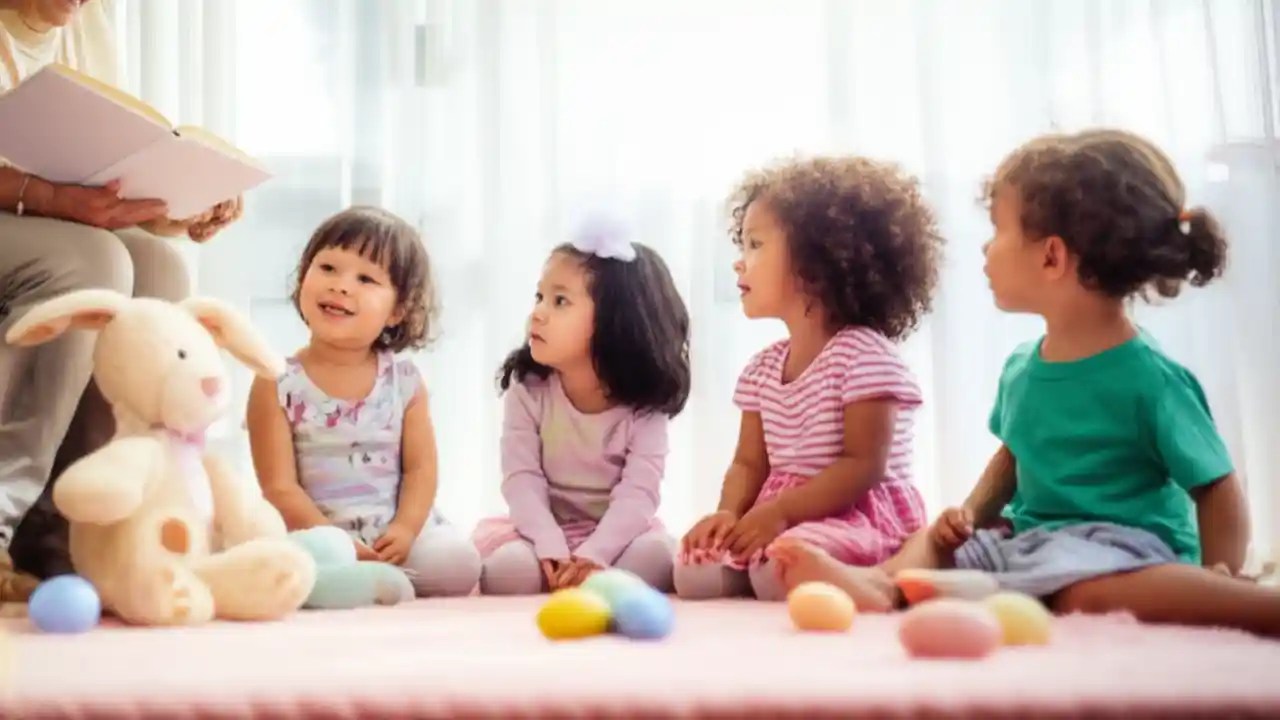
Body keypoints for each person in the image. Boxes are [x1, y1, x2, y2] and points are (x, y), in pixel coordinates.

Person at [772, 129, 1280, 638]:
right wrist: (969, 514)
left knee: (1082, 594)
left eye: (997, 230)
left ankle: (1251, 605)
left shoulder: (1151, 378)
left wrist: (1223, 575)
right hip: (1032, 537)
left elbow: (1216, 487)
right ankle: (881, 583)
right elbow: (1013, 459)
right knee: (939, 544)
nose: (987, 249)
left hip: (1126, 548)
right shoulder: (1021, 367)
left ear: (1051, 257)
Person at [0, 0, 241, 598]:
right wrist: (53, 198)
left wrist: (183, 206)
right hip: (30, 219)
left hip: (41, 219)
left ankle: (71, 533)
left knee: (159, 269)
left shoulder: (91, 24)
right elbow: (65, 198)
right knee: (91, 263)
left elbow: (97, 177)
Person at [675, 156, 943, 601]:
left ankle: (865, 578)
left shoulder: (864, 355)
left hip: (854, 513)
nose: (740, 264)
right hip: (780, 515)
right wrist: (728, 514)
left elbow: (864, 466)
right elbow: (749, 463)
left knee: (777, 565)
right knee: (693, 573)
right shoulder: (762, 369)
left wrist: (780, 514)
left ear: (817, 264)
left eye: (755, 245)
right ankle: (774, 568)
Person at [246, 206, 480, 597]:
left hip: (395, 536)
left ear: (398, 311)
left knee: (457, 564)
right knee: (287, 562)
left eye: (366, 278)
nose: (341, 286)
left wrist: (405, 530)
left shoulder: (404, 382)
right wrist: (332, 539)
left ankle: (374, 580)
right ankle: (351, 580)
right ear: (303, 276)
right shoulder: (276, 380)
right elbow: (279, 487)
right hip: (316, 534)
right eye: (328, 268)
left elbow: (421, 471)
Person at [473, 218, 691, 594]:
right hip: (542, 530)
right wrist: (548, 545)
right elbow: (521, 479)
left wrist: (595, 554)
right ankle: (561, 570)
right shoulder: (529, 390)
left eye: (560, 301)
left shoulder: (644, 408)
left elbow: (638, 495)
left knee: (655, 561)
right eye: (539, 297)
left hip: (615, 534)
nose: (537, 313)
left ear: (616, 322)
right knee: (508, 573)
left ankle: (589, 573)